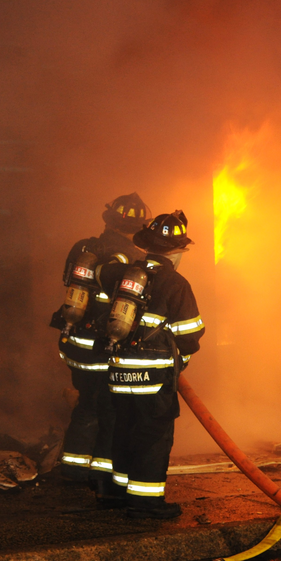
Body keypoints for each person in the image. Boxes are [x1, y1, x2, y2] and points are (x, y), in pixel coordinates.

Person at [97, 210, 204, 519]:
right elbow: (190, 334)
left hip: (118, 372)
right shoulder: (176, 282)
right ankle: (145, 501)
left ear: (145, 245)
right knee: (153, 436)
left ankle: (115, 492)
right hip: (154, 377)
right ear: (177, 250)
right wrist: (180, 359)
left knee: (123, 429)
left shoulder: (123, 276)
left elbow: (100, 280)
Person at [52, 193, 150, 490]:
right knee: (111, 409)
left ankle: (74, 466)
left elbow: (69, 283)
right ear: (138, 227)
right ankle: (103, 472)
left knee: (86, 404)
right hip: (103, 344)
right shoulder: (131, 257)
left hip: (73, 341)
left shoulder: (83, 247)